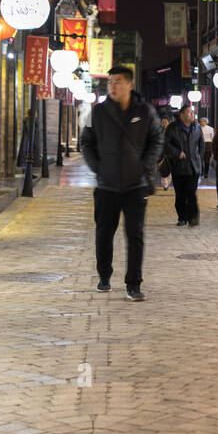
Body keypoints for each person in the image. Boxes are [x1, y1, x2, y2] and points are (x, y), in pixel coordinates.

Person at [78, 65, 163, 301]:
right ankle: (104, 276)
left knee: (135, 236)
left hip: (136, 185)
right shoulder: (98, 112)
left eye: (117, 81)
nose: (112, 86)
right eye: (110, 82)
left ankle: (133, 284)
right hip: (106, 186)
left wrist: (146, 167)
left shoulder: (145, 112)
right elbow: (86, 143)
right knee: (104, 234)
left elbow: (156, 139)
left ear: (129, 84)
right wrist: (98, 168)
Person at [163, 103, 205, 226]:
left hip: (193, 167)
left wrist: (199, 158)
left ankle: (193, 216)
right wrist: (177, 153)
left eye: (192, 112)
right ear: (182, 114)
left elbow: (201, 144)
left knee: (191, 193)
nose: (192, 114)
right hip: (178, 166)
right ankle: (182, 217)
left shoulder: (197, 127)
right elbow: (165, 144)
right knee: (180, 194)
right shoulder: (173, 128)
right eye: (189, 112)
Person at [156, 111, 173, 190]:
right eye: (162, 122)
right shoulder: (159, 131)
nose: (164, 123)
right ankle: (165, 185)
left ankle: (167, 182)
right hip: (161, 154)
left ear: (169, 122)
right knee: (163, 170)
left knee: (169, 170)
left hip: (171, 153)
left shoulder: (173, 131)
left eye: (165, 122)